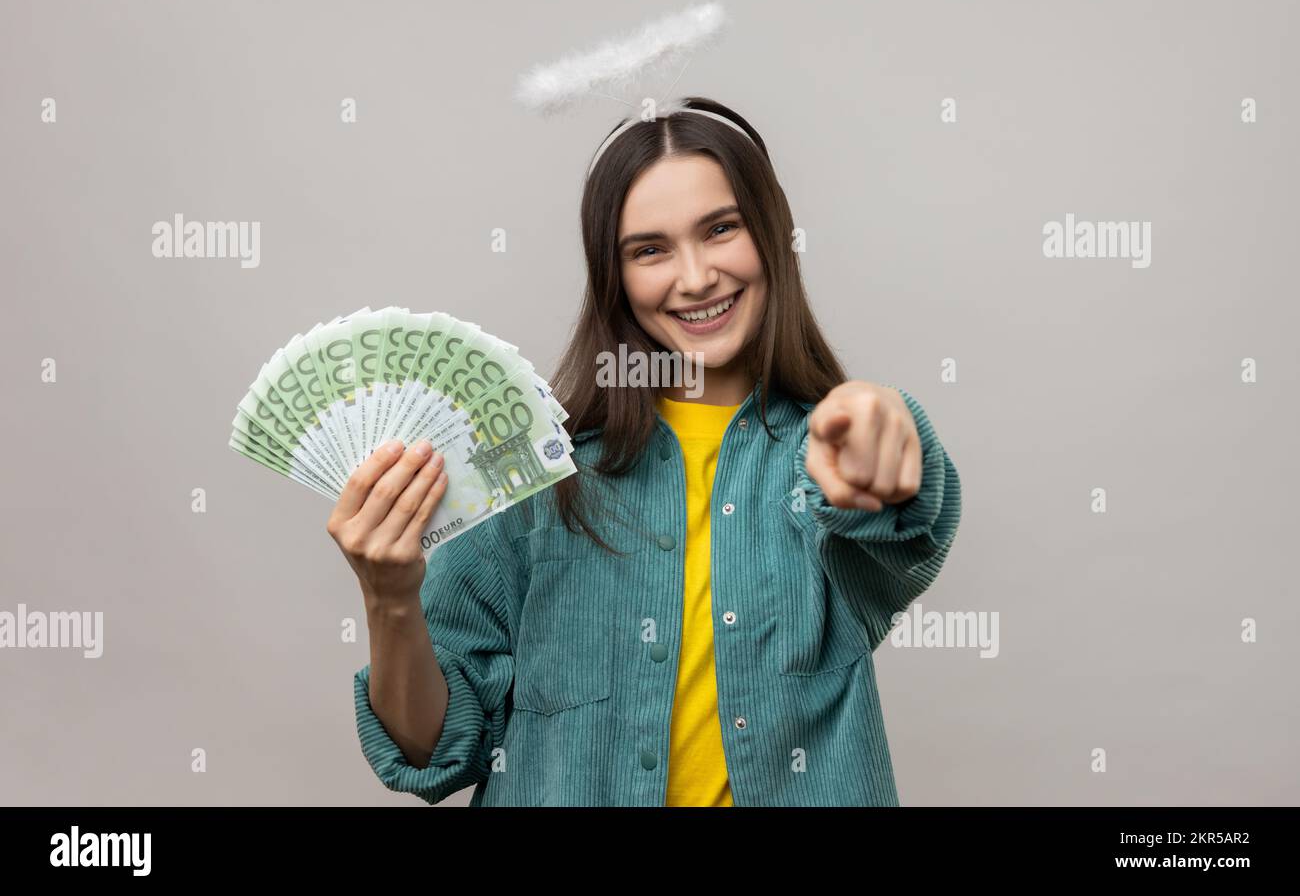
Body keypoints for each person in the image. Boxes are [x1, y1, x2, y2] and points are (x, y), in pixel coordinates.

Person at [330, 97, 962, 806]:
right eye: (650, 250)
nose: (695, 278)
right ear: (615, 275)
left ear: (775, 234)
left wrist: (880, 423)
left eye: (721, 229)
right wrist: (388, 600)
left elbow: (905, 512)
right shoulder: (536, 479)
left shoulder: (826, 458)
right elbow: (431, 751)